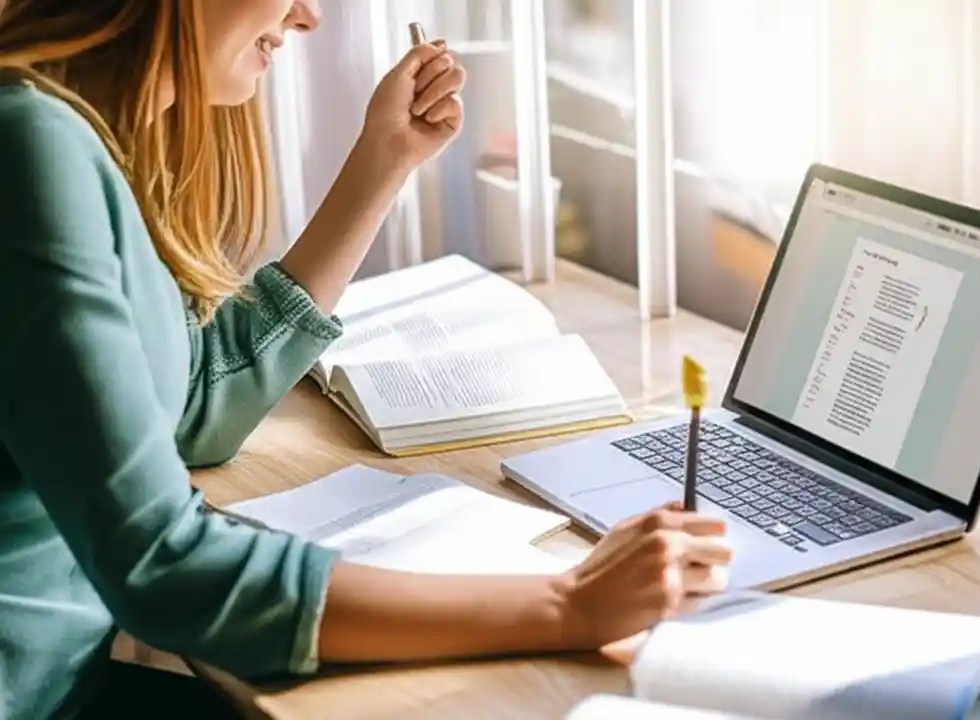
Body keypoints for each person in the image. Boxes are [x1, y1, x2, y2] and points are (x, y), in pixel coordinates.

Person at [0, 1, 732, 718]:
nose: (309, 16)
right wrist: (568, 603)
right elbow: (166, 570)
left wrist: (385, 160)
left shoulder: (71, 132)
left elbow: (192, 403)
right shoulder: (31, 148)